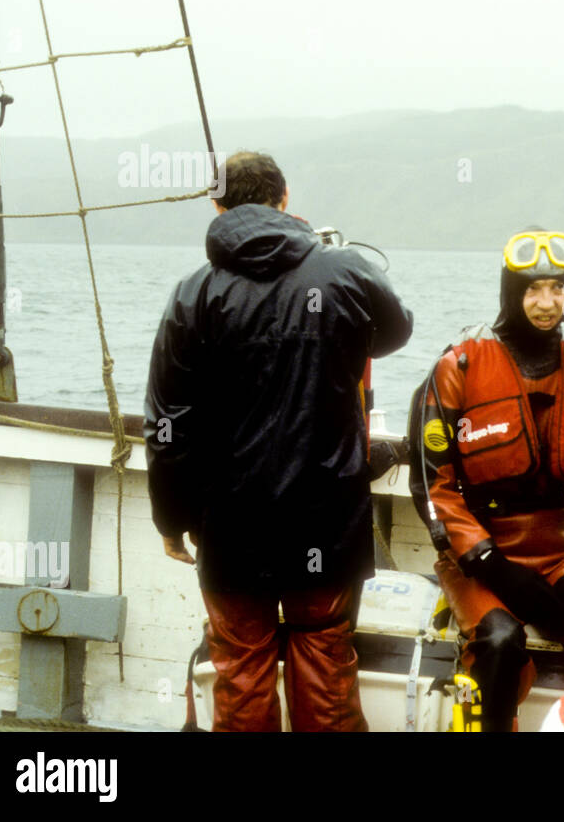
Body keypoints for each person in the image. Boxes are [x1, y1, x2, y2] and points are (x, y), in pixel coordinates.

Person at [145, 151, 412, 732]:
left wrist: (171, 519)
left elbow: (166, 426)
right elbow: (396, 331)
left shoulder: (194, 296)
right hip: (326, 521)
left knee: (241, 671)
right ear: (285, 198)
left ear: (215, 206)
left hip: (231, 525)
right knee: (324, 664)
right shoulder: (345, 273)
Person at [408, 229, 564, 732]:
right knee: (500, 641)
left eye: (558, 288)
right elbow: (432, 487)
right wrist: (492, 566)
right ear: (511, 291)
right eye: (533, 289)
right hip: (484, 548)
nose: (547, 302)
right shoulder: (459, 364)